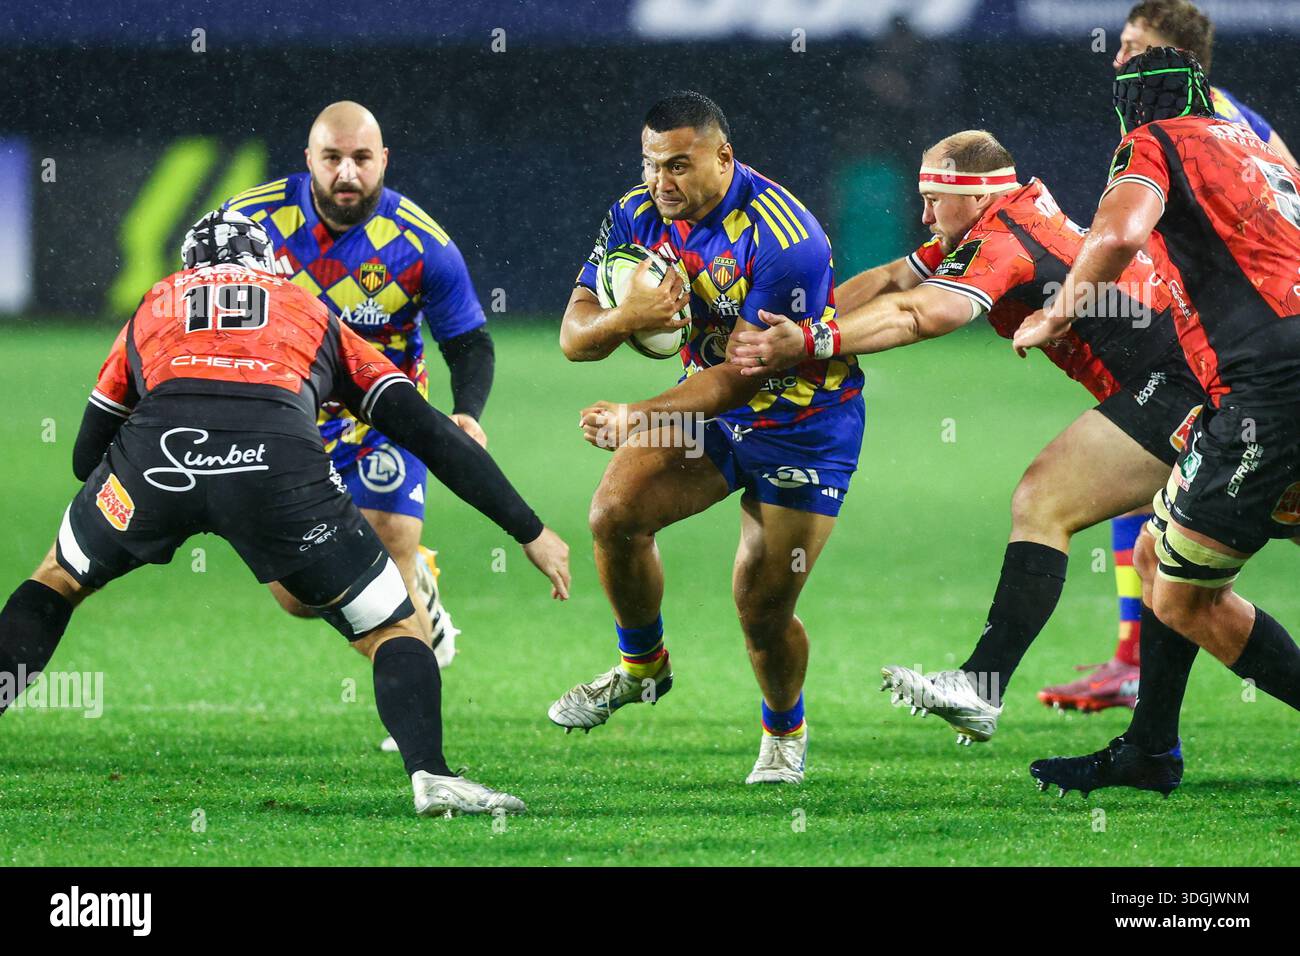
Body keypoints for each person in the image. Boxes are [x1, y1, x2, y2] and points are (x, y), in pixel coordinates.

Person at [0, 209, 570, 816]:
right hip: (277, 462)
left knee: (57, 579)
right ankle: (431, 776)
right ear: (270, 264)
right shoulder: (308, 309)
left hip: (158, 455)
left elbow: (86, 453)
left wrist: (145, 488)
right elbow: (425, 429)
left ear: (189, 266)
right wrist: (528, 529)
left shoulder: (157, 302)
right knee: (393, 628)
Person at [730, 130, 1204, 745]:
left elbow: (923, 313)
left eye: (934, 199)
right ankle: (1132, 740)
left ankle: (986, 688)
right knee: (1190, 568)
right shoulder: (1004, 218)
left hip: (1180, 385)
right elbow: (893, 280)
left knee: (1046, 501)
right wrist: (797, 328)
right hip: (1185, 380)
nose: (924, 214)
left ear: (976, 197)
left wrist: (813, 343)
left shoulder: (1005, 239)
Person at [550, 91, 865, 784]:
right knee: (614, 513)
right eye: (652, 164)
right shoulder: (635, 212)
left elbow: (739, 380)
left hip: (803, 426)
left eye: (680, 166)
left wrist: (638, 414)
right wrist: (622, 315)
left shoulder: (786, 239)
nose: (662, 182)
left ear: (724, 157)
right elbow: (576, 339)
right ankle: (643, 668)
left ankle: (784, 731)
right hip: (712, 417)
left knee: (761, 609)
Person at [1017, 48, 1300, 796]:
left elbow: (1116, 236)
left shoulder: (1156, 140)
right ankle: (1150, 748)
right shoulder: (1261, 148)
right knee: (1156, 550)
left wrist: (1059, 311)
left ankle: (1151, 752)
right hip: (1263, 381)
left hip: (1273, 389)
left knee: (1182, 595)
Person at [224, 101, 494, 672]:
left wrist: (466, 412)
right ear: (308, 160)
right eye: (333, 158)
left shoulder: (422, 244)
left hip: (384, 419)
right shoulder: (247, 226)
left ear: (384, 161)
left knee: (391, 540)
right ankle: (417, 590)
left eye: (362, 159)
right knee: (301, 596)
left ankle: (417, 717)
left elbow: (468, 341)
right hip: (286, 424)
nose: (347, 173)